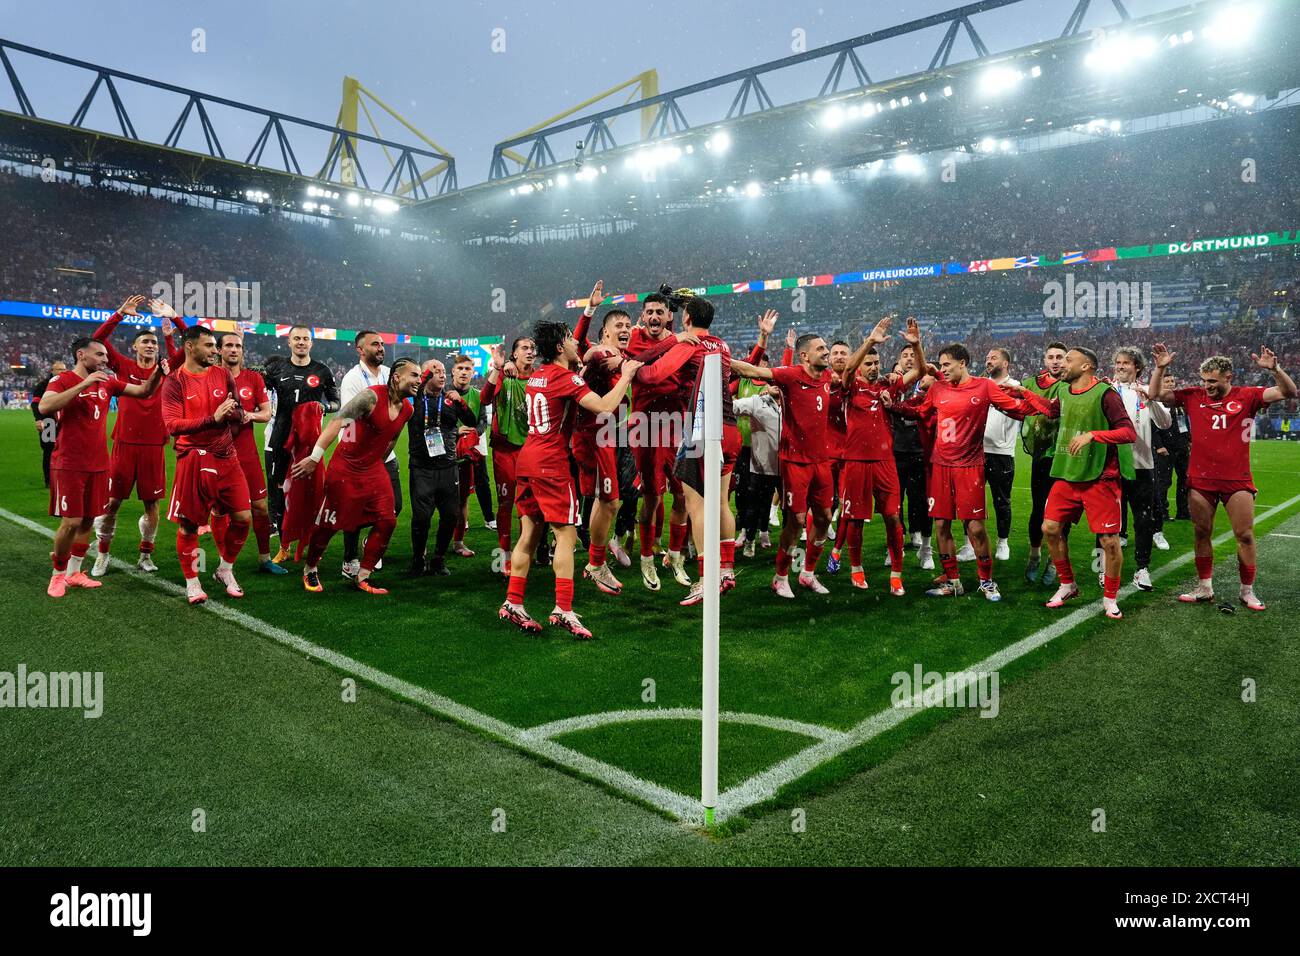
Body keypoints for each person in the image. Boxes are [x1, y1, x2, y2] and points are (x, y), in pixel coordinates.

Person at [499, 321, 640, 638]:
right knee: (566, 535)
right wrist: (627, 375)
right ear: (560, 347)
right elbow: (604, 406)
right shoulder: (565, 378)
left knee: (529, 534)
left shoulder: (537, 374)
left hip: (527, 459)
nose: (576, 342)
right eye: (569, 339)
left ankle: (513, 602)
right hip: (551, 464)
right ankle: (563, 609)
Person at [1148, 345, 1296, 610]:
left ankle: (1247, 591)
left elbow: (1289, 392)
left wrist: (1275, 369)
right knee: (1201, 532)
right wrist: (1160, 368)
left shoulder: (1248, 396)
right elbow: (1155, 394)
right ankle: (1204, 587)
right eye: (1204, 381)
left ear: (1228, 377)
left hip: (1236, 480)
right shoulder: (1193, 396)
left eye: (1213, 381)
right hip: (1201, 479)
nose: (1207, 386)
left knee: (1245, 535)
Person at [904, 343, 1044, 601]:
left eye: (947, 364)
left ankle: (986, 581)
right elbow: (919, 412)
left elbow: (1019, 409)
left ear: (963, 363)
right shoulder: (938, 388)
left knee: (975, 527)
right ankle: (953, 581)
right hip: (941, 466)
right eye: (941, 365)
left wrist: (1035, 399)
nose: (943, 369)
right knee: (941, 524)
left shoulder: (984, 386)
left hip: (970, 467)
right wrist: (892, 405)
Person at [1006, 347, 1137, 620]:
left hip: (1101, 477)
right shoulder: (1064, 391)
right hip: (1067, 473)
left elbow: (1127, 432)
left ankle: (1110, 598)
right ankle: (1068, 584)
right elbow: (1051, 410)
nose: (1063, 364)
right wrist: (1024, 393)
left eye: (1068, 359)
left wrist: (1093, 435)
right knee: (1050, 528)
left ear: (1086, 366)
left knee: (1109, 541)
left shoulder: (1106, 394)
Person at [40, 338, 163, 598]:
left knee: (87, 519)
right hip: (69, 463)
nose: (105, 360)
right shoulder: (62, 380)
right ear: (81, 355)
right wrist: (84, 384)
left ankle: (75, 572)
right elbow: (45, 406)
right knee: (71, 522)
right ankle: (57, 575)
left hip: (98, 463)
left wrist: (158, 374)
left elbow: (143, 391)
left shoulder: (108, 382)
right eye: (100, 355)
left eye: (106, 355)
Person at [292, 359, 421, 595]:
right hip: (345, 469)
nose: (419, 380)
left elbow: (392, 439)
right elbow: (337, 422)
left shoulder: (408, 410)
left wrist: (377, 464)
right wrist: (315, 457)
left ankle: (363, 576)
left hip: (373, 469)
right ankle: (310, 568)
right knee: (328, 526)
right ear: (396, 377)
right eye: (414, 375)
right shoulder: (370, 397)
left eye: (420, 376)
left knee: (388, 521)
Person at [730, 329, 835, 597]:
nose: (826, 352)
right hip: (795, 461)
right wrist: (719, 358)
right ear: (804, 356)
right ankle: (780, 576)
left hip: (821, 460)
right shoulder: (791, 375)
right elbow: (753, 371)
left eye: (826, 348)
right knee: (796, 520)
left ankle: (808, 574)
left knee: (824, 517)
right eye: (820, 348)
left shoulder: (827, 376)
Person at [161, 326, 253, 605]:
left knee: (243, 518)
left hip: (226, 456)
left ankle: (225, 570)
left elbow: (237, 409)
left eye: (215, 345)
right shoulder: (175, 382)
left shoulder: (223, 374)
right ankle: (192, 582)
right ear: (190, 347)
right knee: (189, 526)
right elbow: (173, 425)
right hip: (194, 457)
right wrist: (213, 418)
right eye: (210, 345)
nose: (216, 350)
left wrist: (234, 413)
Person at [90, 296, 179, 576]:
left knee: (152, 504)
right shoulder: (124, 366)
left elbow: (185, 351)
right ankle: (102, 554)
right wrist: (119, 314)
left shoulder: (166, 369)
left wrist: (170, 329)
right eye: (145, 342)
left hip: (154, 445)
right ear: (135, 347)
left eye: (153, 342)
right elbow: (97, 340)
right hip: (125, 444)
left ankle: (145, 555)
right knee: (112, 502)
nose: (150, 345)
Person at [836, 316, 923, 594]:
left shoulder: (888, 386)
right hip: (856, 461)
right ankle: (856, 568)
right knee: (855, 520)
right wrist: (870, 341)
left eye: (876, 363)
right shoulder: (850, 386)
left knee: (893, 518)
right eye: (869, 364)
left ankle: (896, 574)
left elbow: (919, 370)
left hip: (885, 462)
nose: (874, 368)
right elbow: (848, 368)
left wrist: (916, 345)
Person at [210, 332, 285, 575]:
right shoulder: (209, 377)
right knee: (220, 510)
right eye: (229, 345)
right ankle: (224, 563)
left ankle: (265, 559)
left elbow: (266, 413)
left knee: (260, 507)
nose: (234, 349)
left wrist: (247, 415)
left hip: (246, 455)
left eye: (238, 346)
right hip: (218, 454)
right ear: (219, 350)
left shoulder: (253, 378)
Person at [263, 325, 340, 544]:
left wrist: (325, 407)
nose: (301, 342)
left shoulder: (322, 370)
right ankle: (283, 542)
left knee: (310, 489)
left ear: (311, 343)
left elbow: (336, 401)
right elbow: (259, 391)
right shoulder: (276, 369)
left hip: (308, 442)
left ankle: (310, 537)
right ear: (289, 342)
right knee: (279, 486)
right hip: (280, 437)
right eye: (296, 338)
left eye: (305, 339)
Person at [337, 330, 403, 579]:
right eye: (375, 344)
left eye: (382, 344)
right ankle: (349, 559)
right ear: (360, 349)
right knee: (355, 510)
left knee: (394, 506)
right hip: (361, 458)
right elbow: (349, 418)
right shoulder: (353, 379)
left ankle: (371, 543)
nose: (380, 348)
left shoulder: (389, 374)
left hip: (386, 454)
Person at [407, 359, 477, 576]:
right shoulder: (415, 398)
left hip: (447, 466)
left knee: (450, 516)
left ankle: (438, 559)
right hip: (421, 467)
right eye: (435, 371)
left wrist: (461, 402)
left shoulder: (450, 400)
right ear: (425, 375)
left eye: (443, 371)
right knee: (421, 518)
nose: (442, 374)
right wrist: (425, 375)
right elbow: (414, 388)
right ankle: (418, 559)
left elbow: (471, 421)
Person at [1110, 346, 1171, 591]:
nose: (1120, 366)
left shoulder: (1148, 390)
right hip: (1111, 466)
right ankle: (1104, 566)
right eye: (1118, 362)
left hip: (1141, 465)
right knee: (1108, 520)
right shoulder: (1106, 390)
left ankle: (1142, 568)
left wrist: (1152, 402)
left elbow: (1165, 423)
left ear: (1137, 367)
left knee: (1143, 519)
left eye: (1126, 362)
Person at [480, 336, 534, 575]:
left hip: (530, 448)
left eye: (532, 348)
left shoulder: (538, 378)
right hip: (504, 449)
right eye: (524, 348)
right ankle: (504, 554)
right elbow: (484, 398)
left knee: (528, 503)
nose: (530, 351)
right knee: (506, 502)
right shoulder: (504, 374)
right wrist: (498, 367)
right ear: (514, 354)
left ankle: (525, 552)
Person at [1022, 342, 1068, 584]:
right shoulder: (1031, 383)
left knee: (1063, 512)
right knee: (1039, 509)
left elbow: (1053, 410)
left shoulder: (1072, 385)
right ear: (1044, 360)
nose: (1055, 361)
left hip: (1067, 456)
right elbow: (1018, 407)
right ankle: (1034, 555)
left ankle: (1054, 561)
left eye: (1060, 356)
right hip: (1042, 456)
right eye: (1051, 357)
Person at [890, 347, 933, 570]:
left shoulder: (928, 384)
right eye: (905, 356)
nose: (909, 359)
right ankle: (894, 547)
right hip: (896, 452)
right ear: (899, 360)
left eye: (913, 356)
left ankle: (926, 549)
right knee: (894, 504)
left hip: (922, 452)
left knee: (922, 502)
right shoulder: (893, 385)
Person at [982, 346, 1020, 562]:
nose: (988, 361)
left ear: (1005, 363)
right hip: (977, 451)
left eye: (993, 358)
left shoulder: (1015, 386)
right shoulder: (980, 385)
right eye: (987, 357)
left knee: (1001, 501)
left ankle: (1003, 542)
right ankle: (969, 543)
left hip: (1001, 452)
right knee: (972, 500)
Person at [33, 360, 67, 487]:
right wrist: (39, 419)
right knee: (49, 451)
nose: (62, 372)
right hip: (48, 423)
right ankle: (49, 480)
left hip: (65, 422)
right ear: (52, 371)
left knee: (66, 449)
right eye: (59, 370)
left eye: (64, 369)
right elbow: (35, 404)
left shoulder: (69, 383)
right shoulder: (42, 385)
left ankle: (63, 475)